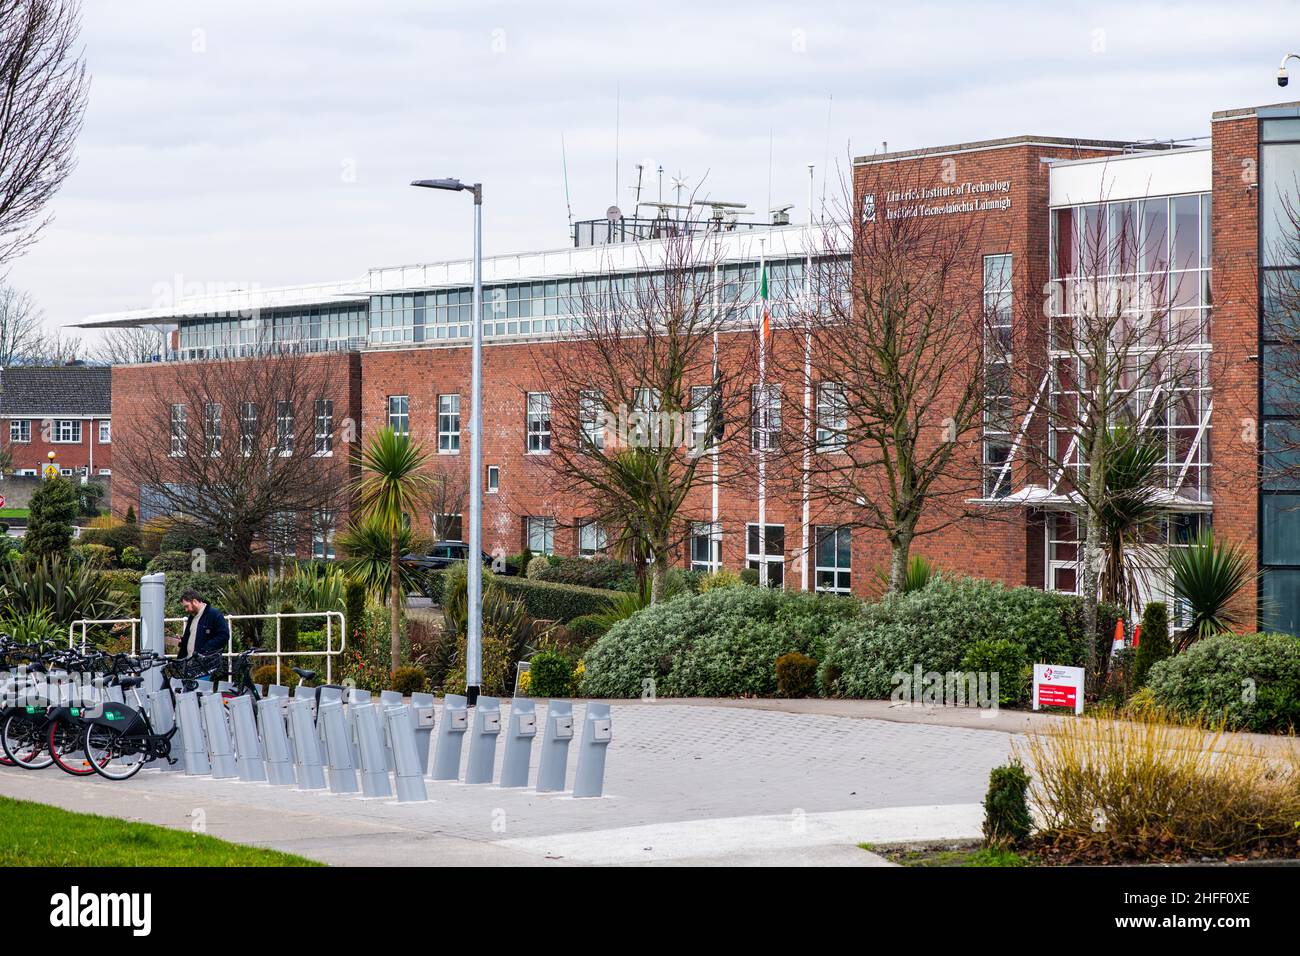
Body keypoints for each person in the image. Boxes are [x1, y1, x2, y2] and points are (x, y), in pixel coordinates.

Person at [177, 589, 230, 671]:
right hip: (190, 664)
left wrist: (205, 649)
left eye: (187, 606)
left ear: (194, 601)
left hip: (206, 665)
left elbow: (224, 635)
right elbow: (193, 637)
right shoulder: (192, 617)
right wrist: (183, 641)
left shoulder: (214, 614)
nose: (186, 610)